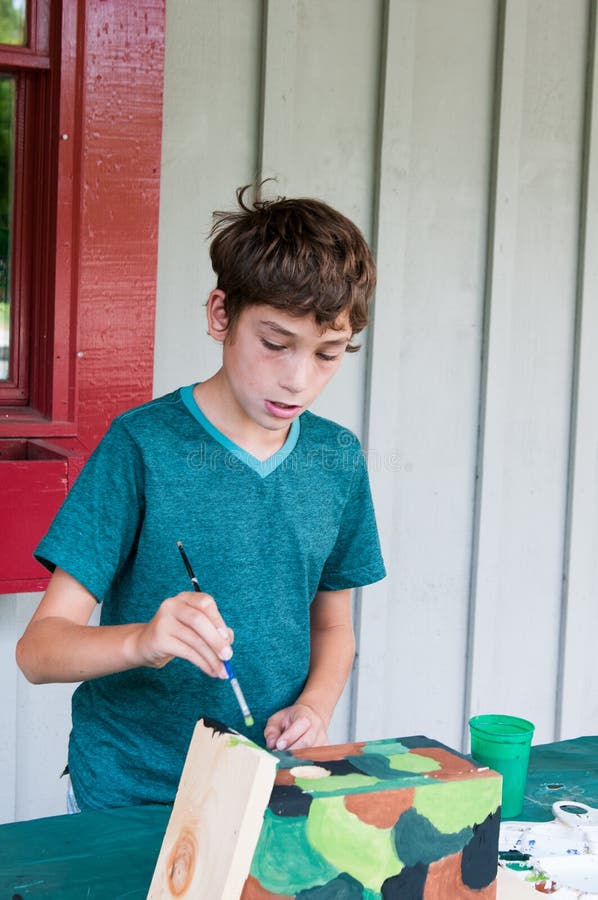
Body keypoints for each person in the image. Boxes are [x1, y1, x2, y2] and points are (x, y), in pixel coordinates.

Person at [16, 185, 386, 811]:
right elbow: (39, 650)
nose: (298, 379)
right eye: (275, 343)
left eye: (327, 354)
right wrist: (145, 640)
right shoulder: (141, 445)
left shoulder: (337, 458)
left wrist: (314, 707)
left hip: (268, 784)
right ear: (221, 314)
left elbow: (335, 626)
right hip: (133, 791)